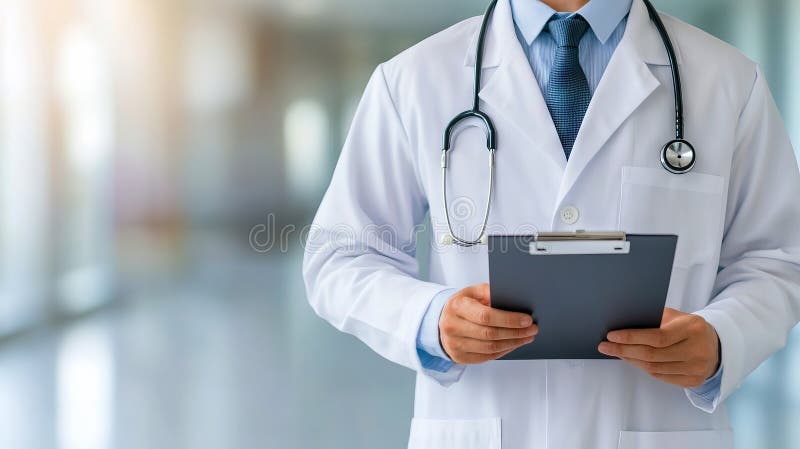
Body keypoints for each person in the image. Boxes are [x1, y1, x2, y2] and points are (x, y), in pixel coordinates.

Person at [302, 0, 800, 447]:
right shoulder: (413, 79)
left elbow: (777, 258)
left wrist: (720, 339)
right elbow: (341, 255)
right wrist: (431, 320)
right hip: (482, 425)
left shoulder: (727, 81)